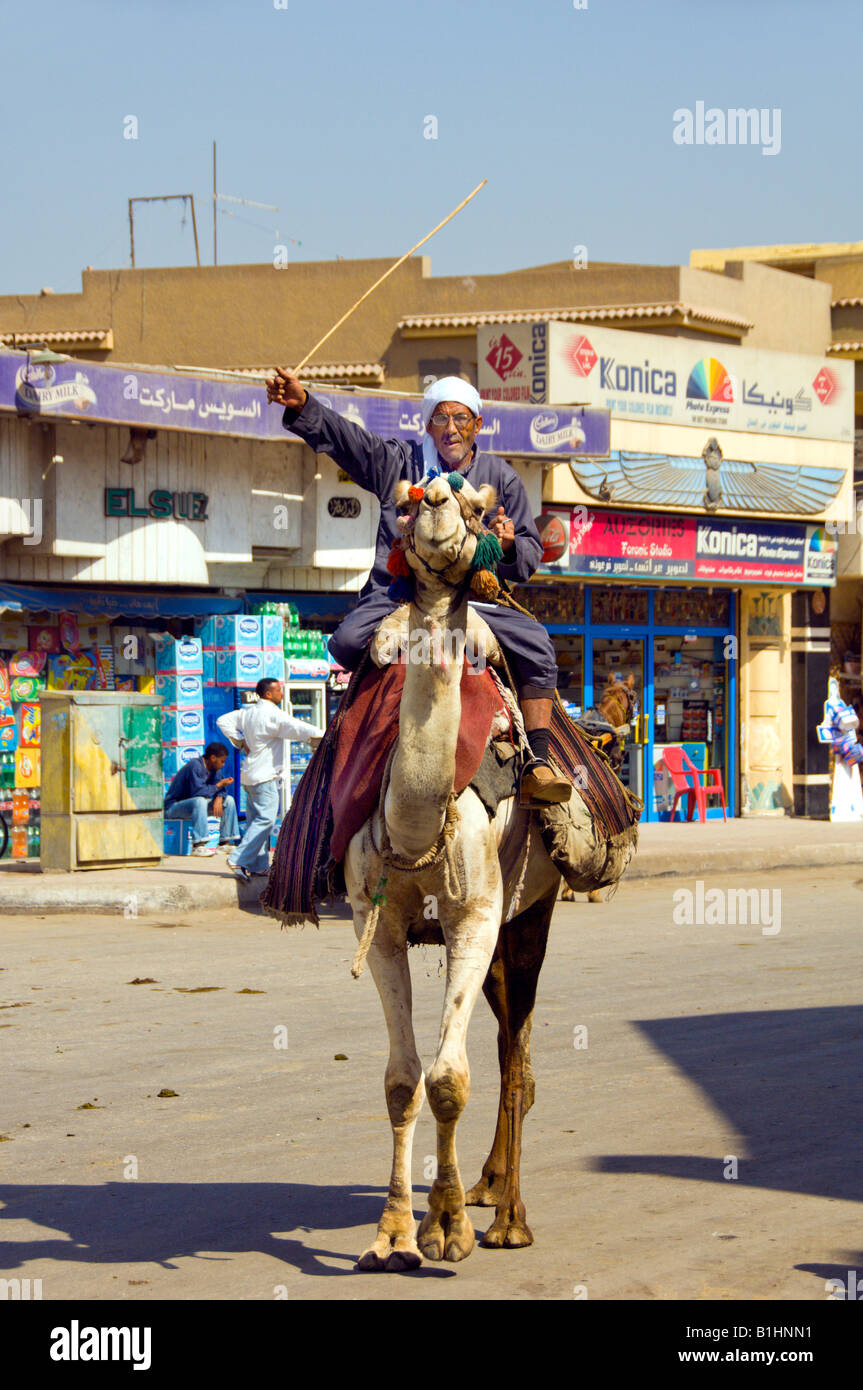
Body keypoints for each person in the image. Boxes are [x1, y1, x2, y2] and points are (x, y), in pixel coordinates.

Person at [265, 368, 570, 805]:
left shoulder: (500, 478)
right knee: (349, 641)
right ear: (428, 424)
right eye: (441, 419)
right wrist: (303, 405)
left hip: (475, 600)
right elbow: (352, 443)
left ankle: (538, 763)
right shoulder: (399, 463)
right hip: (401, 594)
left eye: (461, 419)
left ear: (477, 425)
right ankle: (339, 766)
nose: (451, 429)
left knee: (538, 647)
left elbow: (528, 556)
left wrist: (505, 545)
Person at [217, 677, 325, 882]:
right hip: (265, 776)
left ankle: (258, 866)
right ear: (268, 694)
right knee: (265, 820)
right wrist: (323, 736)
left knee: (254, 822)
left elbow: (223, 721)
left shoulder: (247, 713)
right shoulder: (271, 714)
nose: (281, 694)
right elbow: (297, 727)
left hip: (250, 776)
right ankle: (237, 858)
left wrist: (239, 741)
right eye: (278, 691)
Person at [164, 741, 239, 857]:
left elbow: (221, 789)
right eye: (222, 761)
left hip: (195, 807)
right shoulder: (195, 766)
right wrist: (219, 785)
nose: (223, 764)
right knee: (200, 800)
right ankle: (199, 845)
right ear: (213, 758)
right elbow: (198, 792)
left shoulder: (215, 769)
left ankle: (225, 842)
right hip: (174, 807)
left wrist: (219, 797)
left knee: (228, 800)